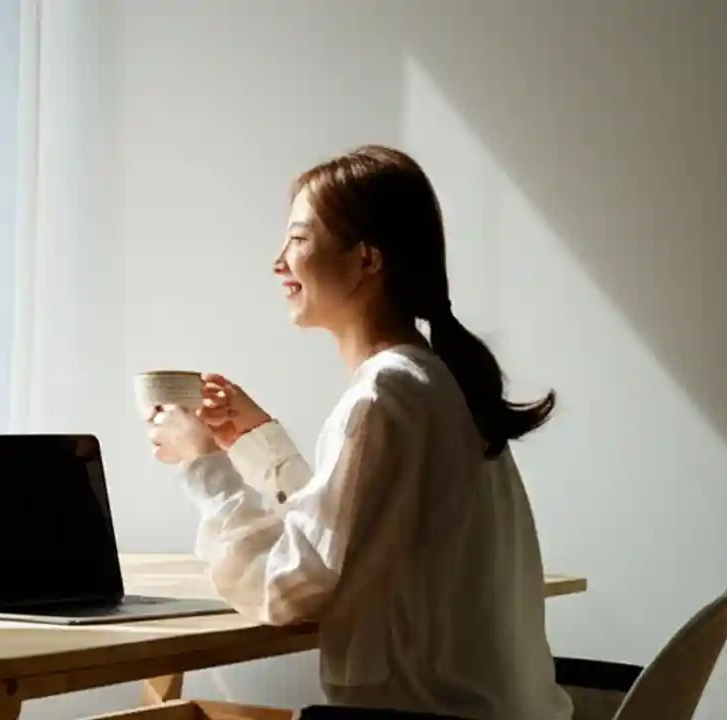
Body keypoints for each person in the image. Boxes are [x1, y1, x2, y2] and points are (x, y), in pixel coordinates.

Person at [145, 146, 573, 719]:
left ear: (366, 259)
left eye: (298, 239)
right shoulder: (430, 381)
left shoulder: (383, 395)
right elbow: (354, 541)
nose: (278, 261)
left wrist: (203, 466)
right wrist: (255, 439)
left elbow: (289, 591)